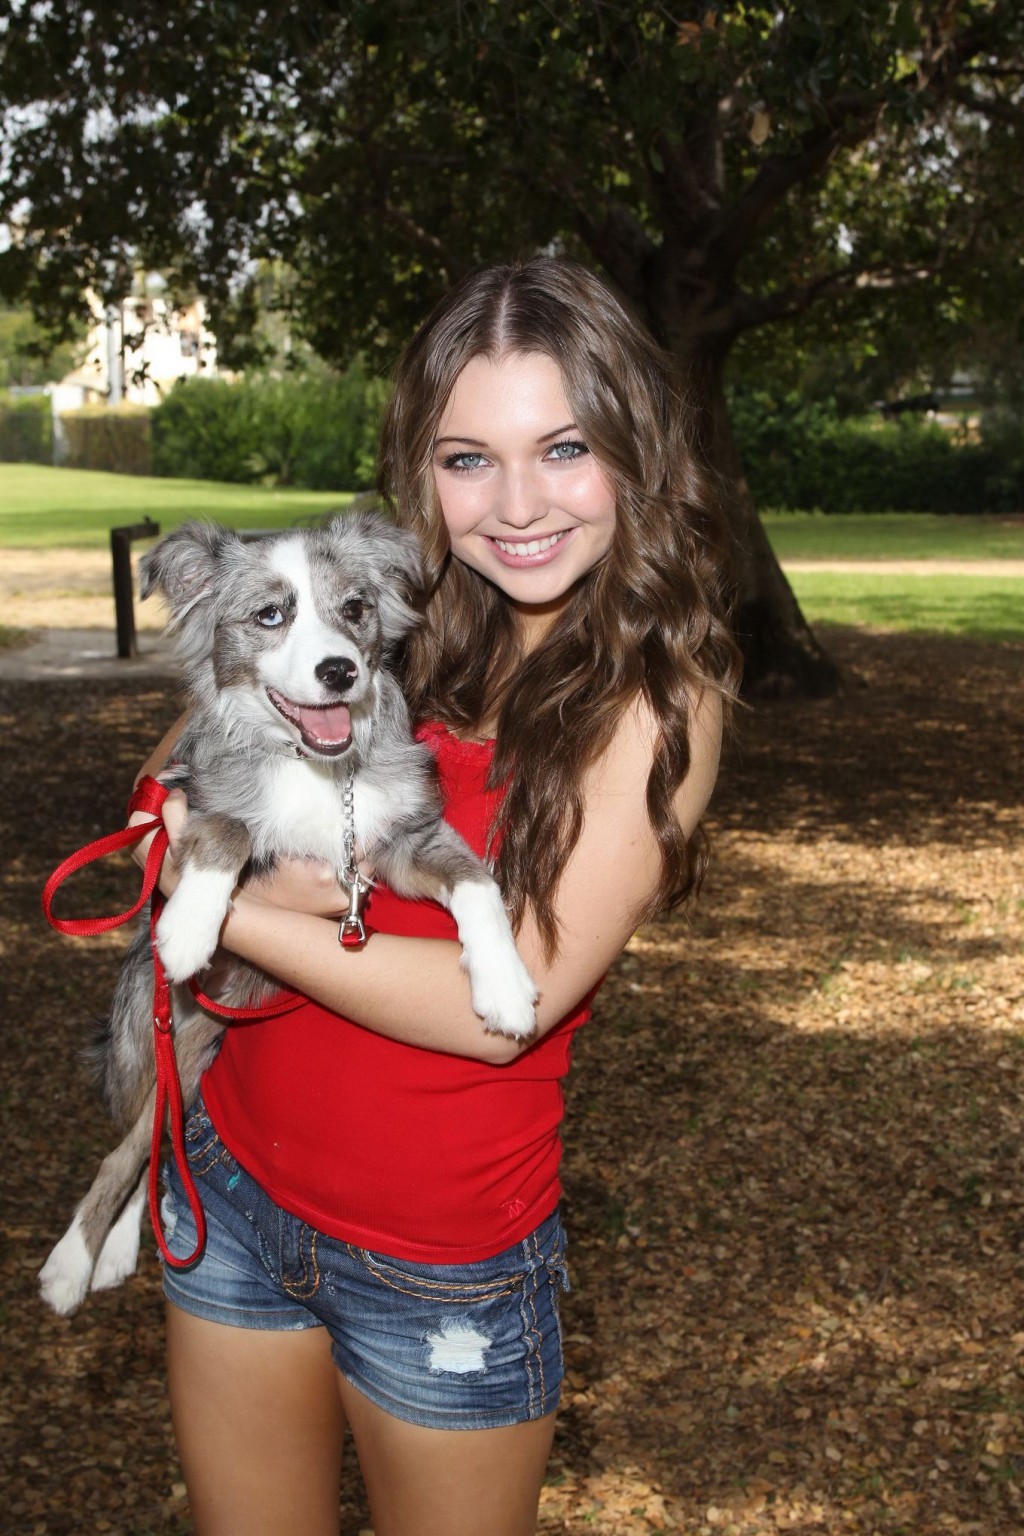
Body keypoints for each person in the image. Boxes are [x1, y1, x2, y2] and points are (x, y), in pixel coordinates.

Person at [134, 257, 740, 1536]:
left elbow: (496, 1008)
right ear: (422, 470)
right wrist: (205, 807)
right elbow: (179, 772)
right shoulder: (402, 623)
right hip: (237, 1188)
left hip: (438, 1259)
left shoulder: (655, 703)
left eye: (562, 447)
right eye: (469, 459)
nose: (516, 504)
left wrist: (225, 905)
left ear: (635, 449)